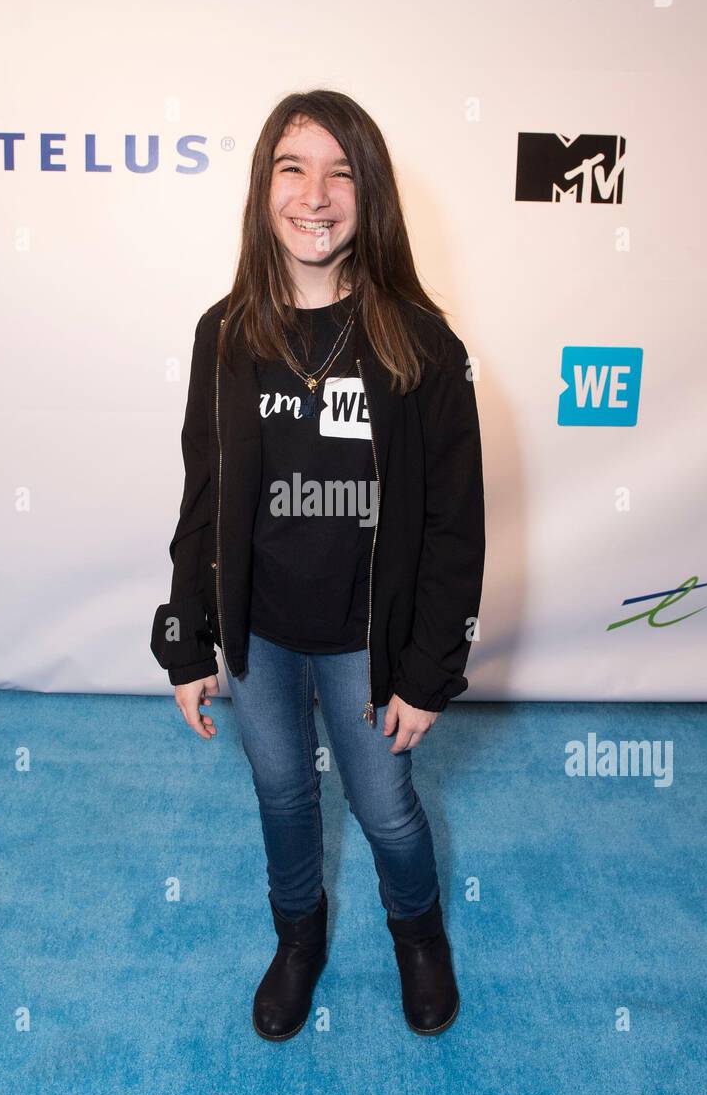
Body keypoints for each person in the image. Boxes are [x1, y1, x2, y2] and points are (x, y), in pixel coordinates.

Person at [151, 90, 485, 1042]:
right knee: (284, 797)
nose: (316, 193)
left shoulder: (421, 343)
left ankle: (418, 937)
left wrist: (428, 672)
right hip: (257, 635)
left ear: (369, 193)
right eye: (292, 167)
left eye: (342, 171)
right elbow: (203, 498)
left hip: (365, 644)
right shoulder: (224, 334)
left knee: (386, 811)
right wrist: (185, 640)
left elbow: (457, 528)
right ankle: (299, 941)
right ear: (264, 191)